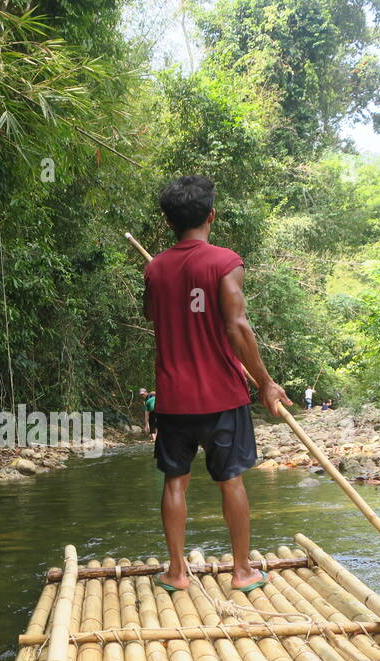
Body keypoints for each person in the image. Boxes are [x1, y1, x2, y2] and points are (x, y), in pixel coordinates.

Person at [142, 175, 291, 593]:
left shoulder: (154, 269)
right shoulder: (226, 261)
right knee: (232, 481)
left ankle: (176, 571)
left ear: (169, 221)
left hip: (172, 399)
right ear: (211, 215)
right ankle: (242, 571)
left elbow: (156, 315)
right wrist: (265, 382)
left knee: (175, 481)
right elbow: (236, 324)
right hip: (222, 396)